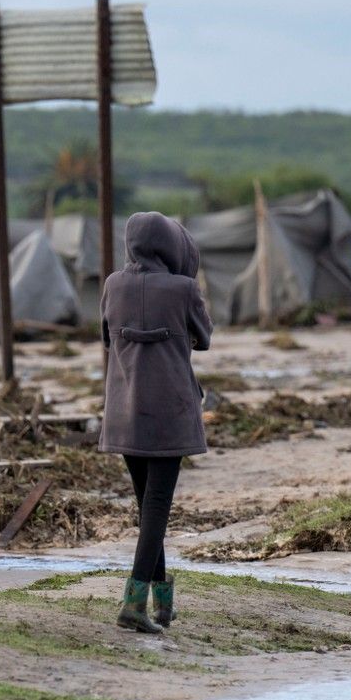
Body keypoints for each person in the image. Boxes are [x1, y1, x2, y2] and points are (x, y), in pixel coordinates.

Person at [99, 212, 212, 633]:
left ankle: (163, 603)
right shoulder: (184, 289)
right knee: (157, 508)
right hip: (170, 414)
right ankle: (133, 604)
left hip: (125, 413)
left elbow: (106, 337)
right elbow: (204, 338)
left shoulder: (113, 285)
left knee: (148, 508)